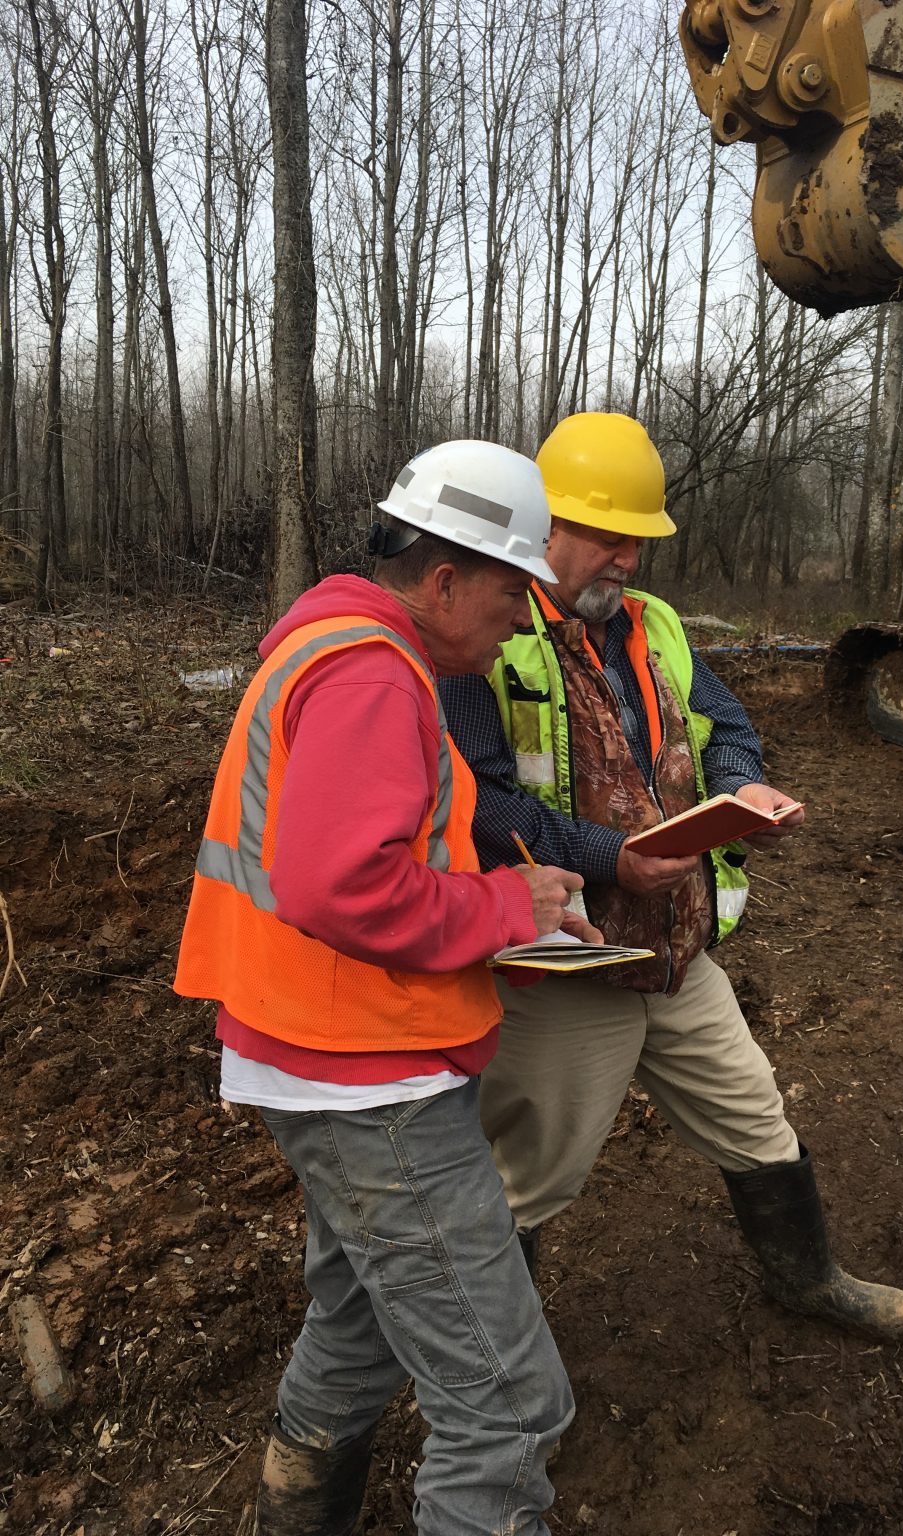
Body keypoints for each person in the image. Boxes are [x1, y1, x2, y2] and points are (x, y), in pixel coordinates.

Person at [174, 441, 597, 1536]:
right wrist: (510, 917)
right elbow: (341, 881)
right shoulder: (371, 671)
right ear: (445, 578)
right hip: (370, 1082)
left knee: (358, 1331)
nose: (524, 620)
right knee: (508, 1408)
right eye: (514, 591)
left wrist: (525, 887)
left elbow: (401, 845)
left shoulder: (344, 652)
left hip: (314, 1053)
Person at [439, 413, 903, 1342]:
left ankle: (807, 1276)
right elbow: (481, 804)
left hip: (675, 944)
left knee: (755, 1117)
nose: (625, 560)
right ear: (545, 530)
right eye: (605, 537)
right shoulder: (487, 636)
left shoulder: (653, 628)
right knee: (531, 1179)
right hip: (567, 958)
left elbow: (726, 724)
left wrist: (741, 785)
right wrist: (605, 858)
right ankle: (491, 1371)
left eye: (637, 541)